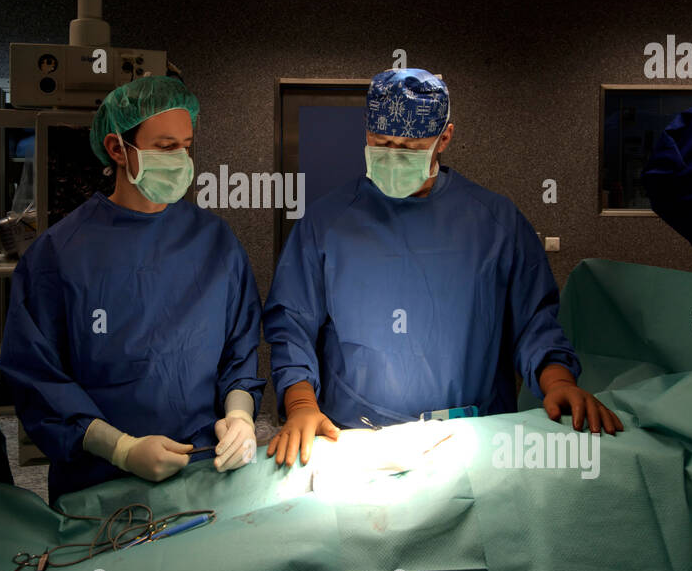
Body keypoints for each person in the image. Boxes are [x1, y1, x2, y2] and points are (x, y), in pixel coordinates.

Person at [262, 68, 623, 467]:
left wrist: (557, 381)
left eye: (411, 147)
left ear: (444, 138)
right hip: (356, 442)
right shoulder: (326, 224)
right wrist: (299, 404)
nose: (395, 156)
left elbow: (534, 320)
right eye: (383, 144)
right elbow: (292, 324)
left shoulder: (495, 222)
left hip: (471, 442)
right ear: (366, 133)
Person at [1, 76, 264, 501]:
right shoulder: (59, 255)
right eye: (164, 147)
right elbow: (38, 379)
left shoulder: (215, 243)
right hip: (100, 481)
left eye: (186, 145)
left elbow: (239, 352)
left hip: (205, 469)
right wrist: (121, 449)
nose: (180, 159)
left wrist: (240, 417)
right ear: (117, 149)